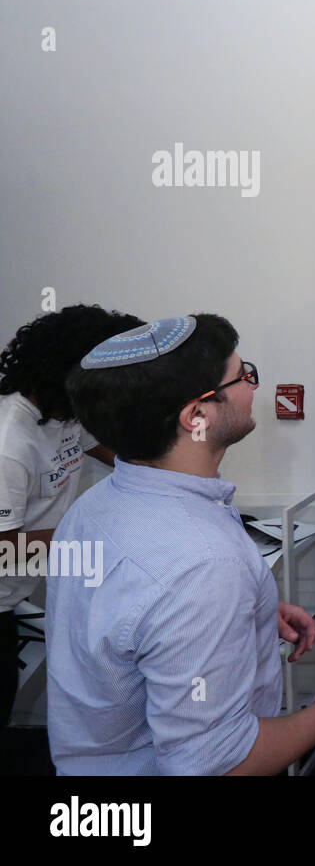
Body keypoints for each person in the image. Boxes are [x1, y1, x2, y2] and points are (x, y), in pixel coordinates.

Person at [47, 315, 315, 774]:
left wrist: (246, 608)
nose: (253, 386)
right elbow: (216, 765)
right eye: (243, 375)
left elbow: (131, 616)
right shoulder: (200, 566)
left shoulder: (94, 506)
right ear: (196, 416)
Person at [0, 305, 142, 730]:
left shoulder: (63, 414)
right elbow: (4, 552)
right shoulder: (10, 443)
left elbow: (114, 452)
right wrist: (88, 533)